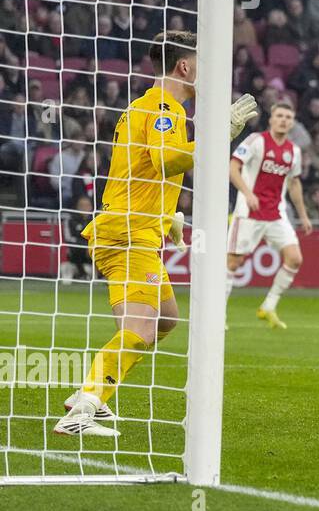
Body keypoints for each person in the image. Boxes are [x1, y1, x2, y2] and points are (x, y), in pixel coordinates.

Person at [57, 31, 258, 436]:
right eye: (201, 65)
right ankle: (84, 410)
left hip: (137, 228)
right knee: (140, 329)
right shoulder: (166, 107)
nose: (206, 74)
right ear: (184, 66)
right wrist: (221, 132)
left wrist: (169, 219)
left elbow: (139, 174)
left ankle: (88, 394)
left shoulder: (144, 106)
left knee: (166, 320)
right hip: (128, 235)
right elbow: (166, 160)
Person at [226, 101, 312, 329]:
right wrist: (247, 193)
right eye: (280, 115)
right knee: (233, 263)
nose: (284, 120)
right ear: (271, 119)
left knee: (295, 258)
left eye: (288, 117)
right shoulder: (256, 140)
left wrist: (303, 215)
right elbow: (233, 167)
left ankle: (269, 306)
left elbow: (294, 184)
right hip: (249, 212)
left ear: (292, 123)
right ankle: (219, 314)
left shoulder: (294, 151)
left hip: (276, 213)